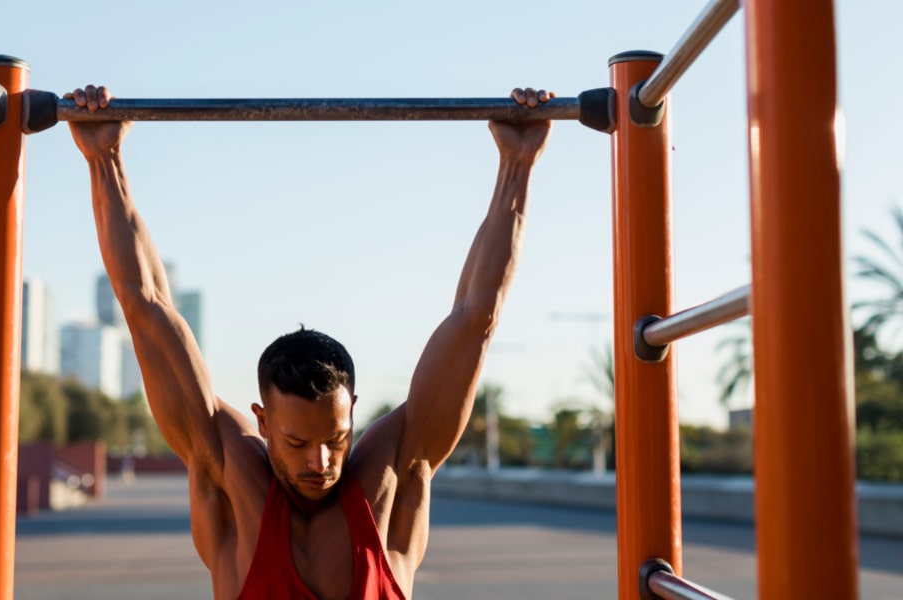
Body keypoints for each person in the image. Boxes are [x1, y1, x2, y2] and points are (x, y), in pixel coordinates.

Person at [66, 84, 553, 599]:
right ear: (263, 422)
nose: (320, 463)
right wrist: (105, 159)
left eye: (336, 440)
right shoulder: (234, 479)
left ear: (353, 415)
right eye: (297, 443)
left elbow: (476, 316)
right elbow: (145, 308)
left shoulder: (389, 477)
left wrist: (516, 166)